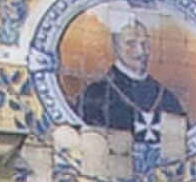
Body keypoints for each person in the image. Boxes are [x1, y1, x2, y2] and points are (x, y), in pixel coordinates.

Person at [76, 16, 185, 145]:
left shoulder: (166, 98)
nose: (141, 52)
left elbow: (178, 150)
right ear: (114, 46)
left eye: (144, 44)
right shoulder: (95, 94)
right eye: (131, 44)